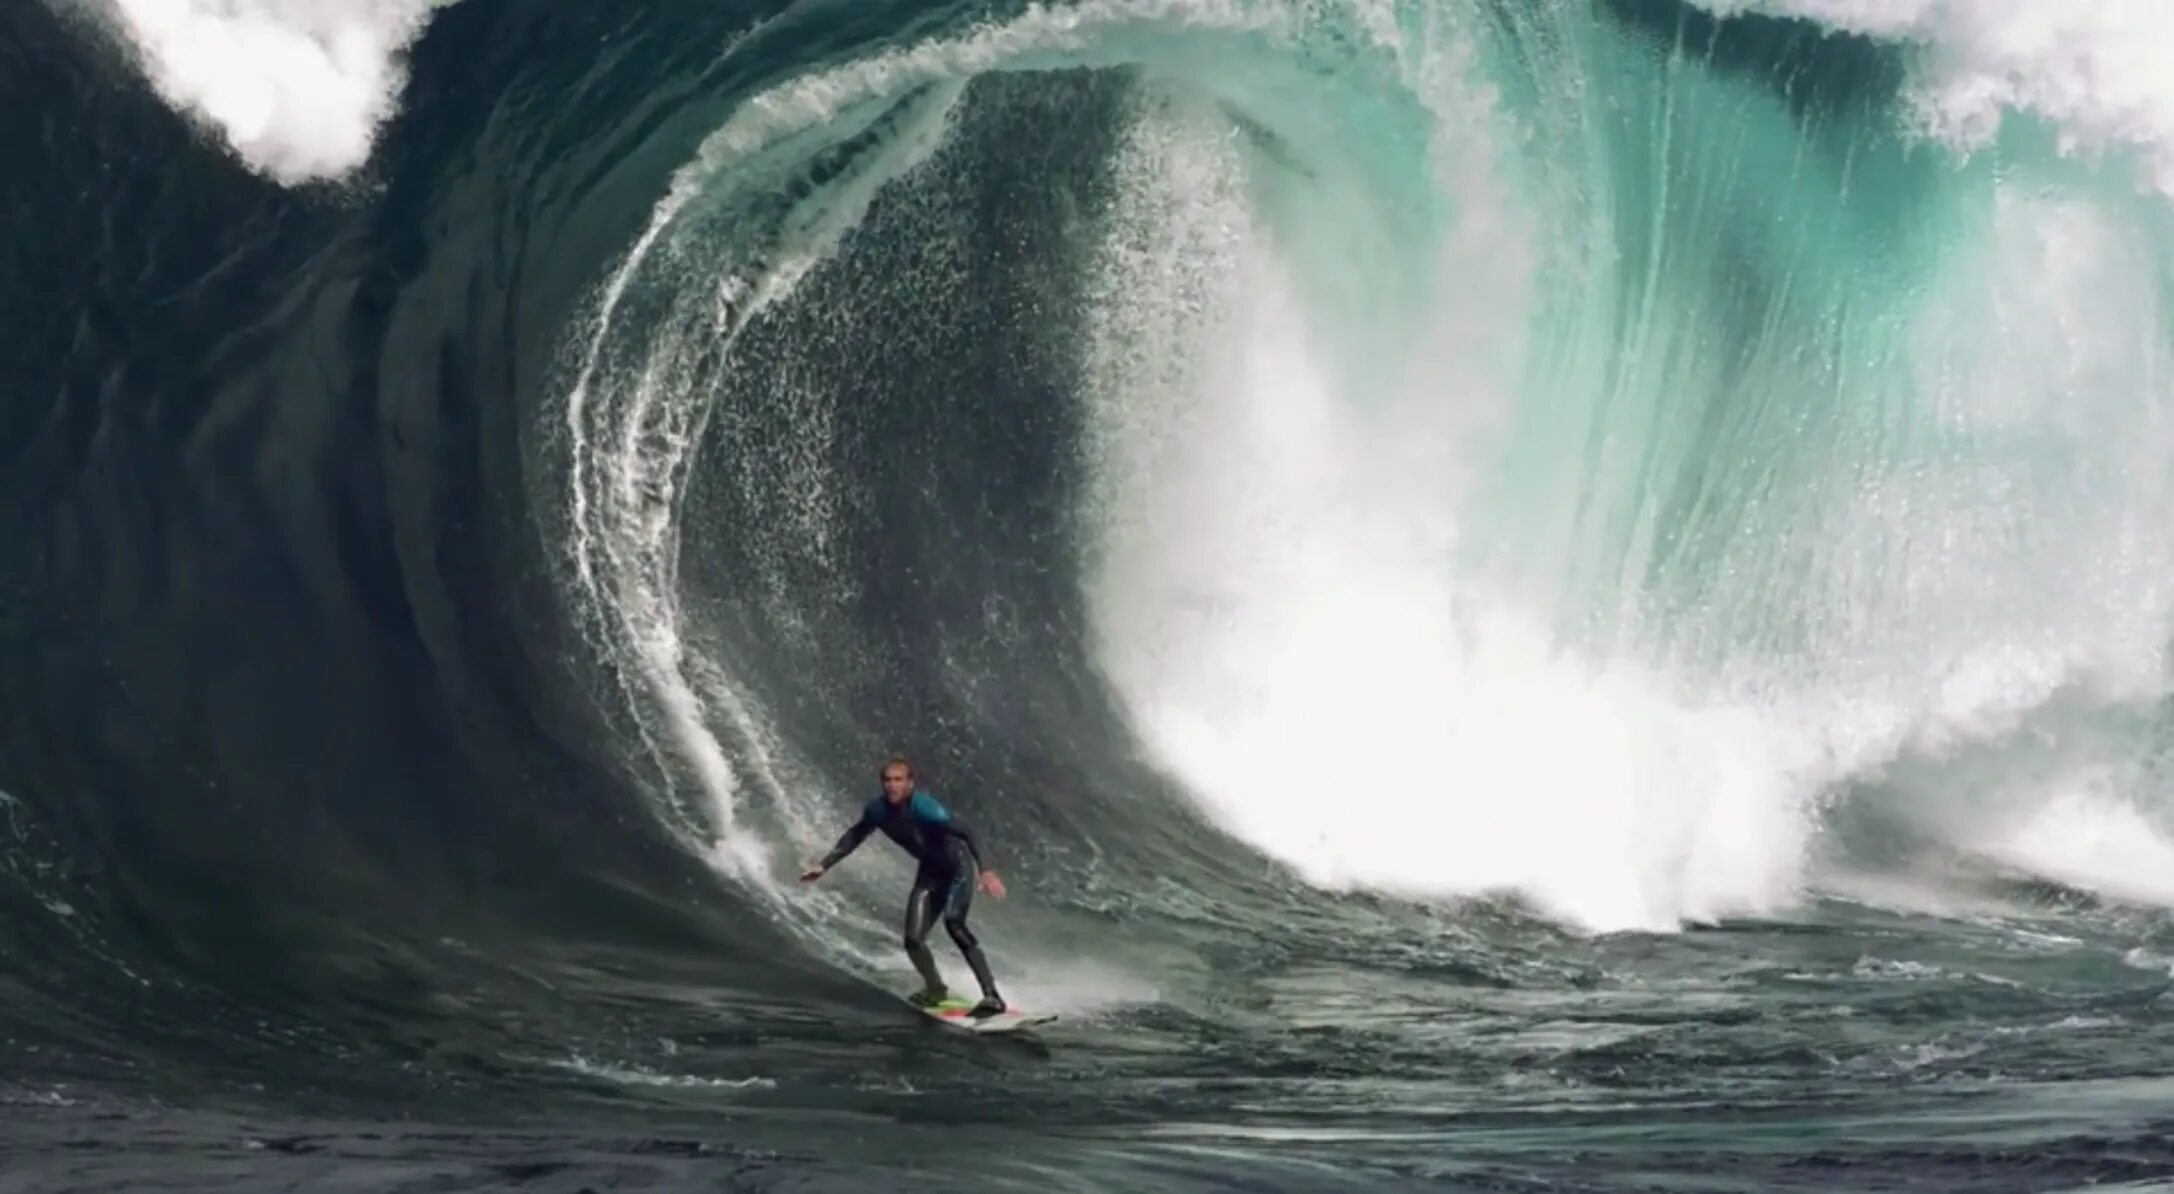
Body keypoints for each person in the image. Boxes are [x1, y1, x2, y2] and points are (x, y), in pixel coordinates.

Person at [801, 756, 1009, 1016]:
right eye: (887, 780)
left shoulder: (928, 810)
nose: (892, 785)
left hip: (957, 869)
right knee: (912, 940)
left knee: (955, 925)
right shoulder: (878, 810)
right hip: (930, 873)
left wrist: (986, 871)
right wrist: (824, 865)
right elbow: (856, 834)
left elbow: (968, 833)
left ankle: (992, 997)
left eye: (898, 780)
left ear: (910, 783)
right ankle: (935, 989)